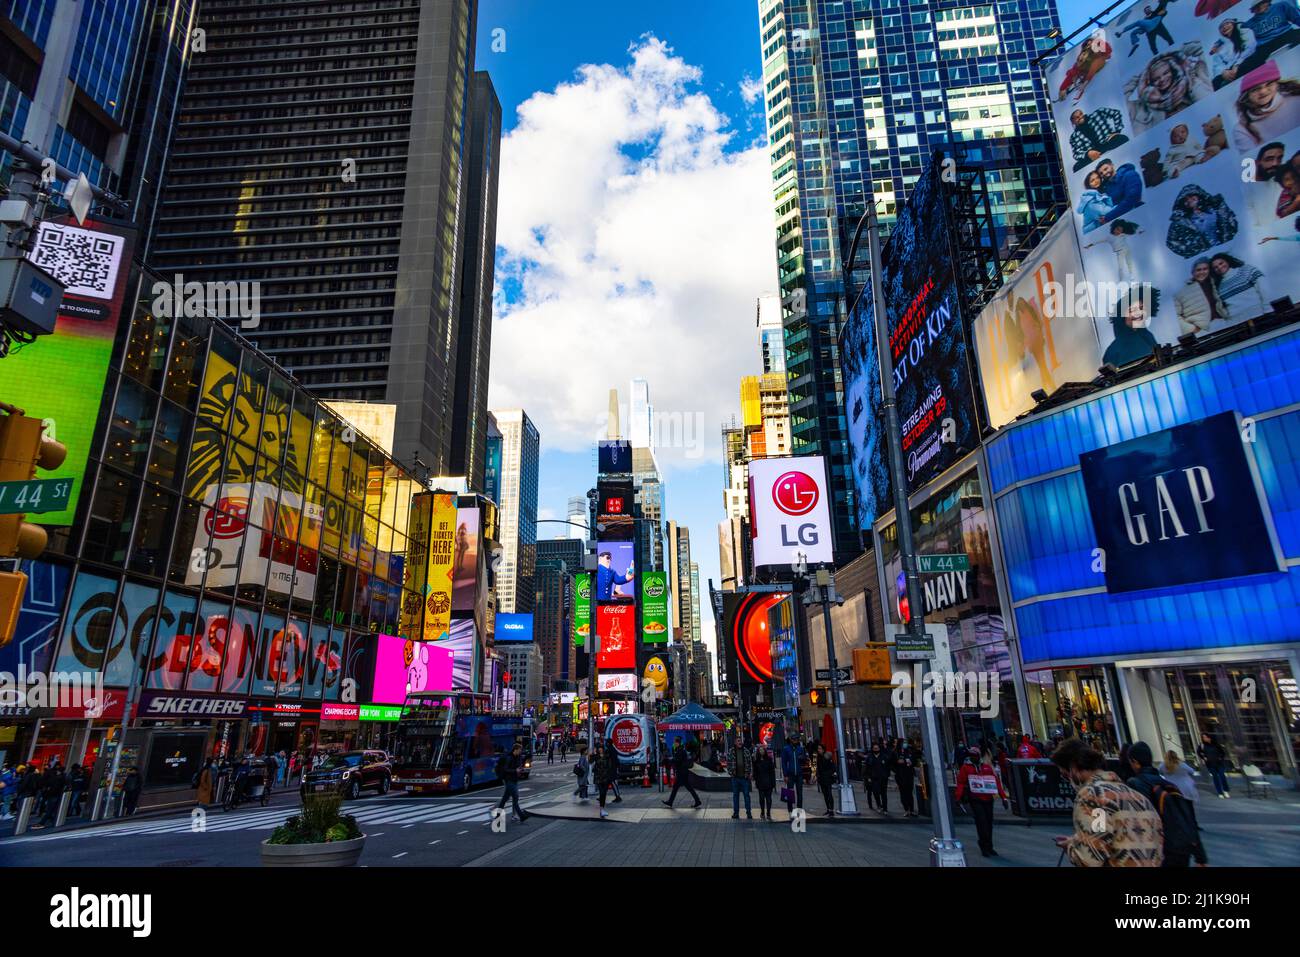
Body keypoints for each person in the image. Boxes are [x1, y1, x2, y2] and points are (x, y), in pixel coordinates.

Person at [1052, 738, 1164, 867]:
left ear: (1073, 768)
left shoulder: (1092, 797)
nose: (1069, 780)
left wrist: (1071, 847)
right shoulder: (1137, 796)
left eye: (1065, 775)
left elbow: (1091, 857)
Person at [1125, 742, 1207, 867]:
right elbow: (1187, 817)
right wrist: (1200, 856)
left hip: (1160, 848)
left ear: (1135, 762)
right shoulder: (1168, 784)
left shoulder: (1136, 784)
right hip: (1181, 848)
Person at [1233, 60, 1300, 150]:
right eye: (1255, 89)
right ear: (1246, 95)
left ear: (1277, 83)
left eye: (1269, 84)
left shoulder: (1297, 98)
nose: (1263, 91)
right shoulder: (1242, 129)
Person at [955, 748, 1009, 857]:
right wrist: (958, 797)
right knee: (981, 822)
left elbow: (996, 782)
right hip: (975, 798)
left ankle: (989, 846)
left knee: (988, 822)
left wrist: (1004, 797)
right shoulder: (966, 768)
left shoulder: (986, 767)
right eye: (971, 755)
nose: (972, 757)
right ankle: (983, 845)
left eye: (974, 755)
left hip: (988, 798)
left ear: (979, 756)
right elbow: (960, 783)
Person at [1167, 184, 1237, 257]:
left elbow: (1231, 220)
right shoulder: (1181, 221)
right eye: (1185, 199)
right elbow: (1171, 242)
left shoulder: (1216, 207)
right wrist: (1191, 250)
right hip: (1206, 257)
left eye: (1191, 196)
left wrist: (1229, 235)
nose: (1189, 200)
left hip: (1229, 248)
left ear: (1198, 195)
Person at [1175, 258, 1232, 335]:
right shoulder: (1181, 292)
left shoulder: (1215, 283)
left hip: (1224, 324)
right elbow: (1177, 316)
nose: (1202, 272)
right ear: (1193, 272)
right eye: (1198, 270)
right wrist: (1192, 329)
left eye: (1205, 269)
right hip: (1203, 331)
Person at [1211, 18, 1261, 88]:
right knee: (1214, 82)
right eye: (1221, 27)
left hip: (1245, 61)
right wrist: (1223, 72)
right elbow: (1217, 64)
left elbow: (1251, 48)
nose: (1224, 27)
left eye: (1227, 23)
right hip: (1229, 70)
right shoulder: (1219, 47)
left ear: (1233, 23)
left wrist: (1237, 64)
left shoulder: (1245, 32)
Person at [1159, 750, 1202, 830]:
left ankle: (1180, 823)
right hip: (1185, 788)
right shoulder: (1181, 765)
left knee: (1176, 807)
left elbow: (1160, 773)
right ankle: (1193, 823)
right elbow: (1192, 771)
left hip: (1172, 788)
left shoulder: (1163, 766)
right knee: (1189, 807)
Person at [1095, 158, 1144, 223]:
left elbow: (1131, 199)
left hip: (1138, 215)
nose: (1104, 173)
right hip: (1120, 221)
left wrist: (1108, 217)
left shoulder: (1129, 174)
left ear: (1112, 165)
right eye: (1101, 173)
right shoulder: (1107, 187)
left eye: (1105, 169)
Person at [495, 743, 531, 823]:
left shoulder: (517, 757)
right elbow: (505, 769)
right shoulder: (509, 758)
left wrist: (520, 769)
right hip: (509, 780)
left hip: (514, 780)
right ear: (515, 750)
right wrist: (515, 770)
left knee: (504, 799)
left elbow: (517, 766)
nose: (520, 752)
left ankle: (498, 815)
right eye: (519, 750)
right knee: (515, 797)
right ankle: (521, 816)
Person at [663, 740, 702, 808]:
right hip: (683, 772)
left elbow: (678, 761)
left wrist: (670, 760)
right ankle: (697, 800)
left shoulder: (680, 751)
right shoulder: (681, 750)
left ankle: (670, 802)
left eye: (675, 743)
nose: (674, 744)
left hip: (681, 772)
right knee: (684, 787)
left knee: (678, 787)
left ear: (678, 743)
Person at [32, 762, 67, 829]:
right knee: (52, 809)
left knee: (50, 809)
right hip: (55, 794)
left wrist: (46, 791)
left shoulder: (56, 777)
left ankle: (42, 822)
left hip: (52, 794)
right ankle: (52, 821)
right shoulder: (60, 777)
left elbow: (51, 785)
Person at [1197, 732, 1231, 797]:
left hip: (1219, 763)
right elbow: (1199, 752)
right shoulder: (1202, 745)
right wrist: (1203, 758)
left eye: (1205, 737)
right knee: (1215, 777)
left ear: (1209, 737)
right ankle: (1220, 792)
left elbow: (1223, 752)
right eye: (1203, 737)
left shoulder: (1216, 744)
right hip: (1210, 764)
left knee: (1222, 776)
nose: (1204, 739)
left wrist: (1221, 758)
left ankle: (1225, 790)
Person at [727, 737, 754, 820]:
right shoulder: (731, 751)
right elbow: (728, 763)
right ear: (735, 742)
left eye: (740, 741)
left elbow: (750, 762)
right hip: (735, 778)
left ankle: (748, 812)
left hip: (744, 777)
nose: (740, 742)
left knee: (746, 795)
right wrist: (731, 773)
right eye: (738, 741)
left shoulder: (746, 751)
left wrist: (750, 773)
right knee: (735, 795)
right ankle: (736, 813)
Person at [779, 735, 804, 813]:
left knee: (800, 793)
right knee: (789, 793)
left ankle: (799, 810)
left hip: (799, 774)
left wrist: (802, 758)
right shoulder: (786, 749)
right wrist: (785, 775)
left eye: (796, 739)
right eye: (794, 739)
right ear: (791, 740)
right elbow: (784, 762)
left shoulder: (800, 749)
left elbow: (804, 760)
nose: (795, 741)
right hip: (790, 774)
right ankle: (790, 810)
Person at [592, 743, 618, 818]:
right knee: (602, 792)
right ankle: (602, 809)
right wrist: (592, 752)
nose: (600, 749)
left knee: (604, 794)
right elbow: (590, 761)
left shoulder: (607, 756)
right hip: (598, 778)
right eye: (598, 748)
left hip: (606, 777)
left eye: (601, 748)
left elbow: (610, 766)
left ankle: (602, 809)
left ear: (603, 749)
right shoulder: (596, 756)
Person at [753, 745, 777, 820]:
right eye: (760, 750)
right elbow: (755, 773)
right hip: (760, 782)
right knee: (761, 798)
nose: (761, 751)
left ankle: (768, 813)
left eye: (762, 750)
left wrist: (773, 783)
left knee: (768, 798)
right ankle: (762, 811)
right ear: (758, 752)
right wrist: (756, 781)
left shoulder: (769, 760)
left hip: (768, 782)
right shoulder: (756, 761)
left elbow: (772, 772)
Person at [894, 744, 917, 817]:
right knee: (903, 794)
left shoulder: (910, 755)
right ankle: (906, 809)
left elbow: (913, 762)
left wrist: (910, 763)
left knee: (909, 793)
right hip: (900, 776)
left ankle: (911, 810)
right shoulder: (896, 755)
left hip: (909, 776)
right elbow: (894, 764)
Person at [815, 745, 838, 817]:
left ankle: (831, 810)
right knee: (825, 794)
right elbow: (818, 767)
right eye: (818, 748)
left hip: (827, 777)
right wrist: (817, 775)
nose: (819, 750)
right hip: (821, 778)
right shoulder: (818, 757)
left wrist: (830, 774)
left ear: (823, 749)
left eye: (820, 749)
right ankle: (828, 809)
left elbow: (833, 767)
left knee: (829, 794)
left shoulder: (827, 757)